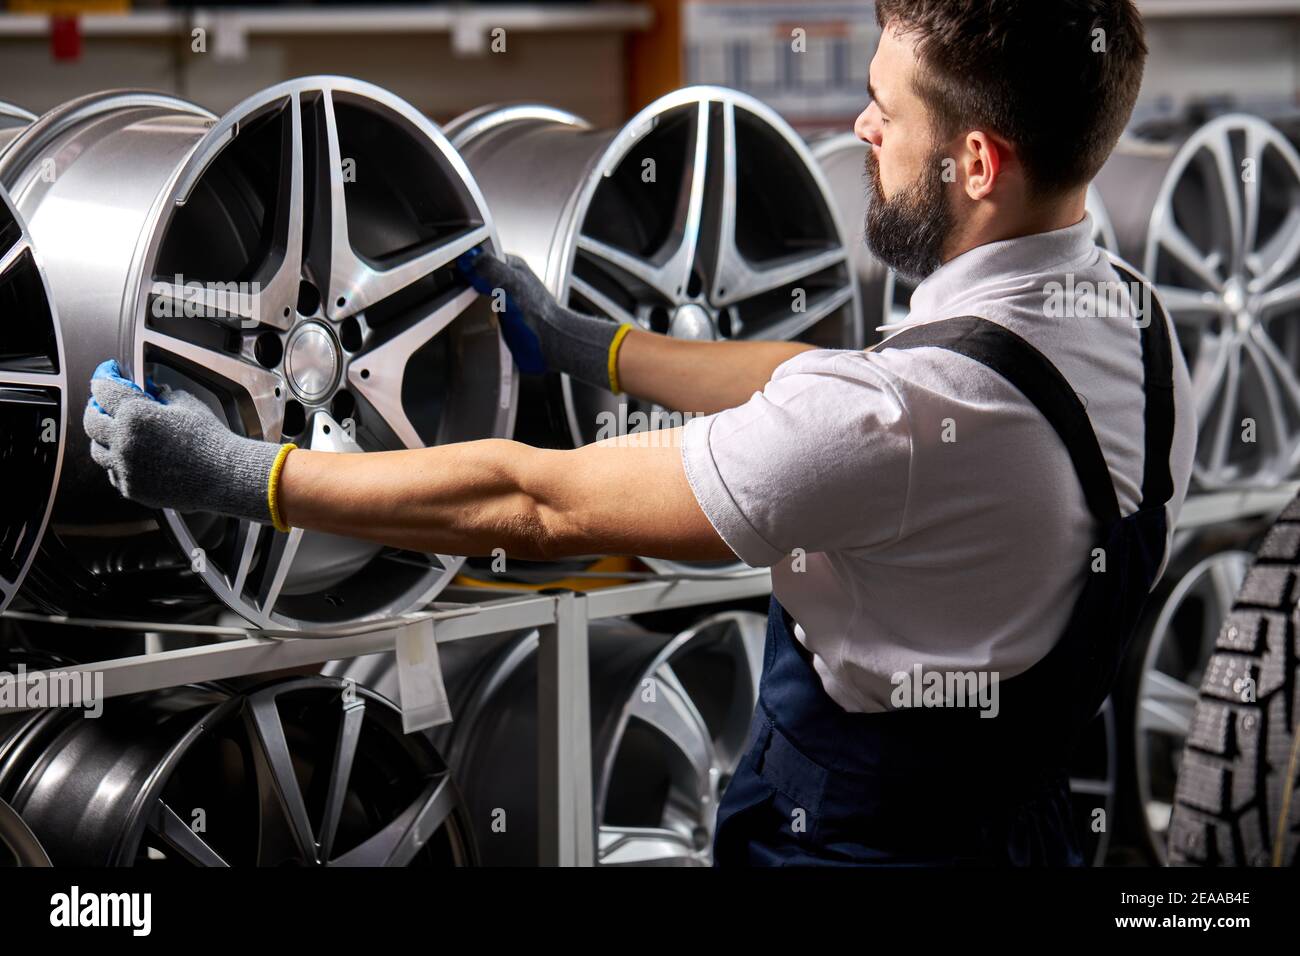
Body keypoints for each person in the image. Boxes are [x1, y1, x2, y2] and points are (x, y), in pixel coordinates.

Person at [84, 0, 1195, 865]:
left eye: (885, 109)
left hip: (861, 839)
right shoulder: (1134, 328)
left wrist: (245, 472)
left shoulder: (893, 421)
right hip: (1021, 825)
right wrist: (595, 348)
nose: (860, 127)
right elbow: (844, 383)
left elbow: (534, 501)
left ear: (976, 164)